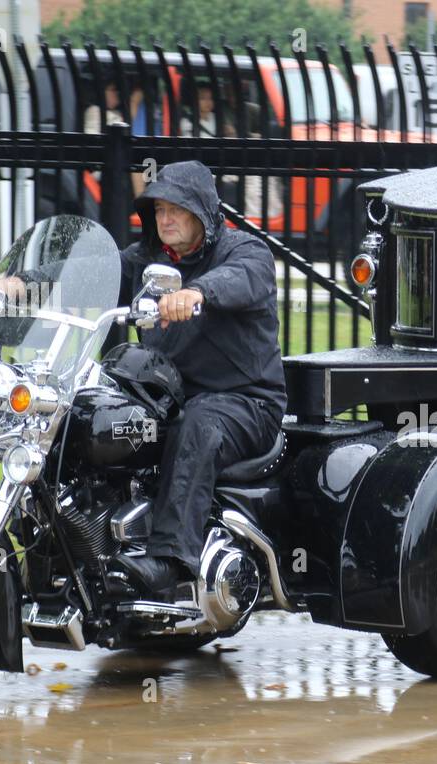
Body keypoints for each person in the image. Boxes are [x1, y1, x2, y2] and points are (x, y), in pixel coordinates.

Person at [112, 160, 286, 593]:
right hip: (169, 399)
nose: (164, 218)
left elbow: (239, 279)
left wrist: (195, 292)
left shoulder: (246, 252)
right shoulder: (148, 261)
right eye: (158, 209)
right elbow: (90, 272)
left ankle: (169, 561)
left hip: (245, 403)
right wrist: (19, 283)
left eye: (176, 209)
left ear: (203, 212)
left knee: (198, 423)